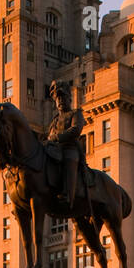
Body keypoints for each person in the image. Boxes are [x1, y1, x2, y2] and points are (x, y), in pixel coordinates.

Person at [45, 80, 86, 211]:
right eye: (58, 98)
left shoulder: (75, 113)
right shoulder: (54, 120)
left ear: (70, 98)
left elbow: (76, 129)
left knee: (69, 159)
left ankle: (68, 195)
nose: (60, 100)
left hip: (70, 148)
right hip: (54, 150)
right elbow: (49, 135)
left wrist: (58, 137)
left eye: (63, 97)